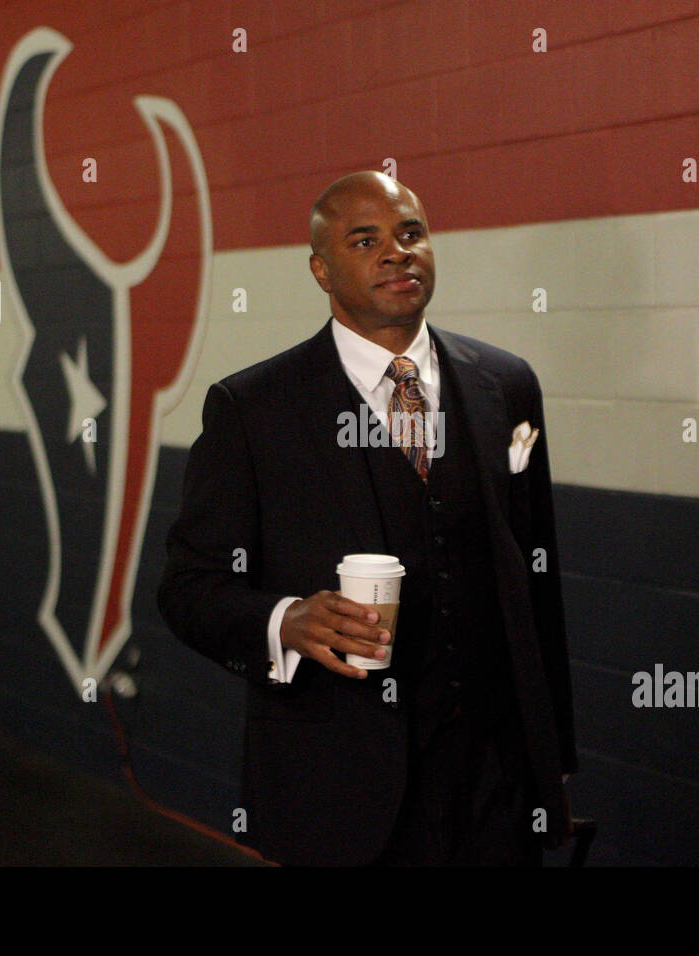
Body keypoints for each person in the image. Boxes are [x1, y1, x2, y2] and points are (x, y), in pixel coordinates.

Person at [158, 172, 576, 866]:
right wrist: (284, 620)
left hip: (492, 788)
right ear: (322, 269)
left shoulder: (506, 385)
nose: (397, 253)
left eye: (411, 234)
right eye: (366, 240)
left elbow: (537, 586)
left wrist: (550, 759)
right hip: (338, 795)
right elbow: (188, 589)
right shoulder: (254, 409)